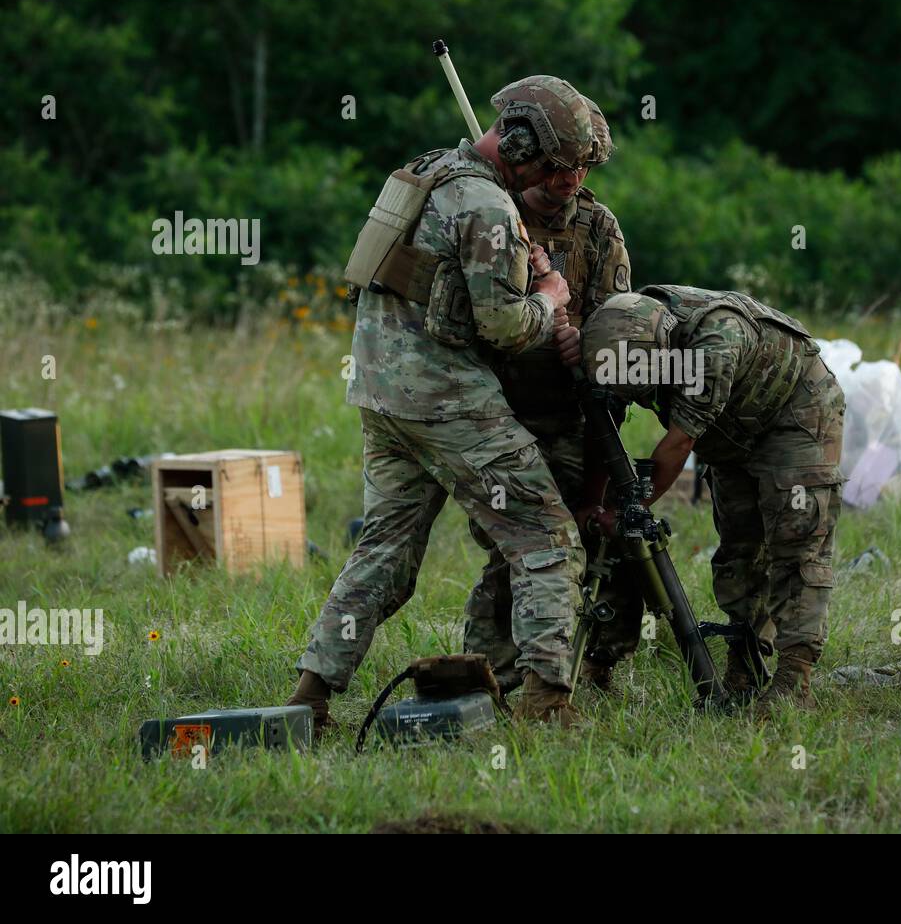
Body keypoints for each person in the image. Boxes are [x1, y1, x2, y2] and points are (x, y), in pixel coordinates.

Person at [287, 75, 595, 729]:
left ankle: (308, 699)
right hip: (447, 402)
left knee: (385, 553)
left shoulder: (424, 174)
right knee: (546, 537)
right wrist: (551, 299)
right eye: (552, 163)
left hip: (380, 393)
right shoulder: (487, 208)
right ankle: (546, 705)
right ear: (520, 143)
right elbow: (503, 328)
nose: (556, 177)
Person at [579, 286, 845, 715]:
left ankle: (795, 681)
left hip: (795, 413)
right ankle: (746, 663)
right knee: (739, 550)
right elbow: (604, 423)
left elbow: (678, 443)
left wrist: (631, 508)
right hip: (729, 431)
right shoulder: (616, 334)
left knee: (796, 544)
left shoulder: (714, 342)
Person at [461, 97, 645, 696]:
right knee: (519, 544)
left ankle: (598, 664)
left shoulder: (598, 227)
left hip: (574, 411)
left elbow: (620, 318)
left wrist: (583, 344)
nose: (571, 180)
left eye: (583, 170)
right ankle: (491, 671)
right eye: (563, 165)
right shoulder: (495, 210)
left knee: (600, 530)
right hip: (501, 409)